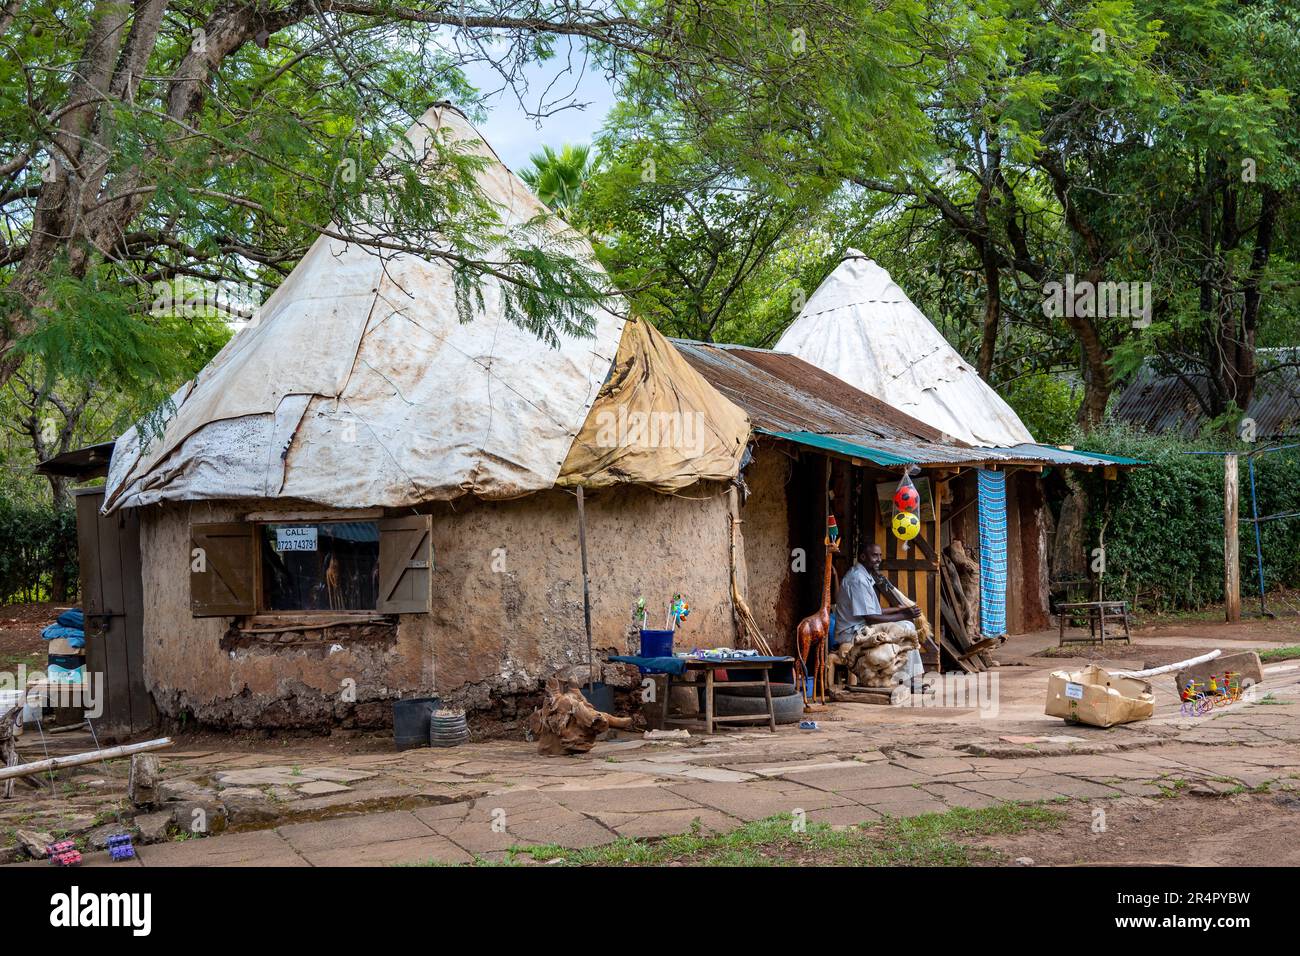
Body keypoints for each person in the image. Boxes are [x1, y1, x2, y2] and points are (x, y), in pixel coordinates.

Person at [834, 542, 924, 687]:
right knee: (906, 627)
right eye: (874, 555)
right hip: (852, 632)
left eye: (880, 555)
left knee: (905, 625)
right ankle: (910, 680)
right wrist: (904, 615)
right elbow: (871, 618)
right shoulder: (858, 580)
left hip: (862, 625)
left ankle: (910, 679)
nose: (879, 559)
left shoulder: (863, 576)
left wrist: (898, 609)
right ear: (863, 557)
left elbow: (871, 611)